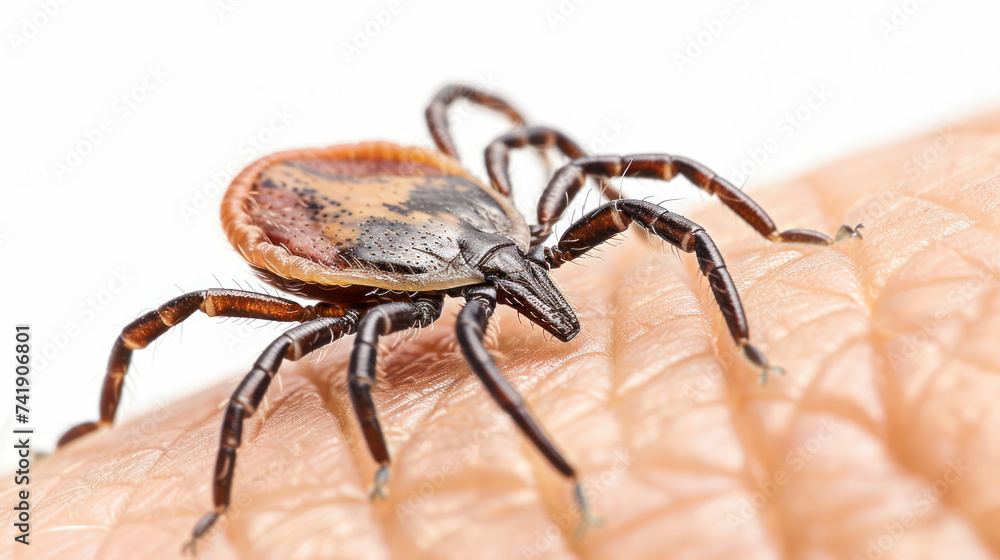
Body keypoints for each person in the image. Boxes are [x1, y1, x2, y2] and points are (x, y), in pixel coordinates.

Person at [5, 111, 997, 559]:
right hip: (360, 250)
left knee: (671, 202)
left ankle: (771, 265)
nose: (529, 296)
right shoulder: (376, 304)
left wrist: (512, 246)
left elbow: (601, 175)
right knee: (284, 356)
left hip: (470, 224)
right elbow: (350, 360)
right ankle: (531, 472)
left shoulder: (526, 227)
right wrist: (375, 455)